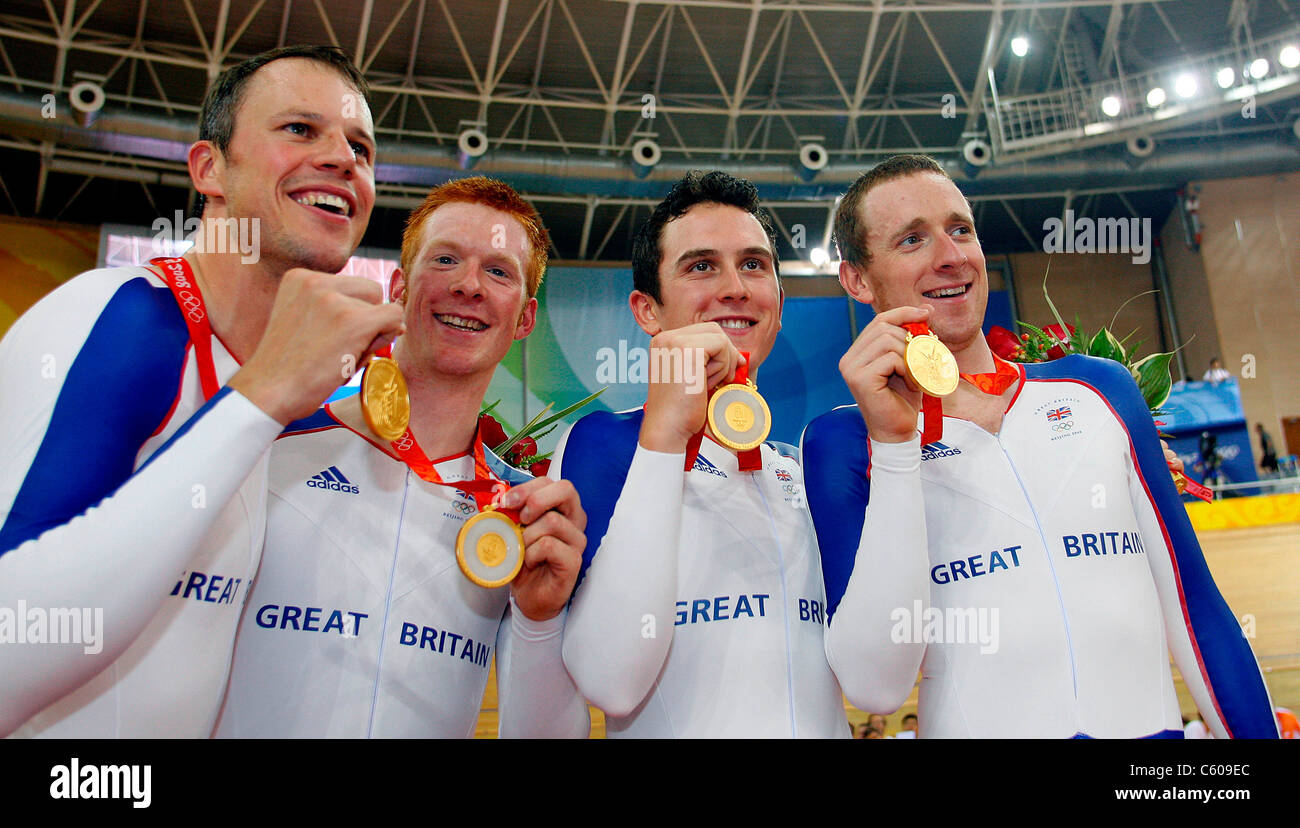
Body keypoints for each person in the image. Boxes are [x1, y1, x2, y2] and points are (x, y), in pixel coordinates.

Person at [0, 45, 404, 738]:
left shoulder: (284, 382)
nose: (343, 157)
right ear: (208, 169)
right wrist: (258, 400)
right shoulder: (121, 317)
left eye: (361, 147)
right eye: (300, 129)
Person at [802, 154, 1278, 738]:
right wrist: (896, 447)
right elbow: (875, 686)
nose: (950, 255)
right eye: (911, 240)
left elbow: (1197, 610)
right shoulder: (845, 441)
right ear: (856, 280)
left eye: (960, 229)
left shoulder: (1098, 389)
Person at [215, 178, 589, 737]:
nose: (469, 285)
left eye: (498, 271)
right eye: (445, 260)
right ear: (398, 287)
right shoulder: (271, 442)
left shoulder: (516, 515)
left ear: (525, 320)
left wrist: (539, 622)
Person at [555, 170, 847, 737]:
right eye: (701, 265)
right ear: (647, 312)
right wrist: (664, 442)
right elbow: (610, 682)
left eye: (754, 264)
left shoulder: (801, 469)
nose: (735, 287)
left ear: (779, 307)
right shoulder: (603, 445)